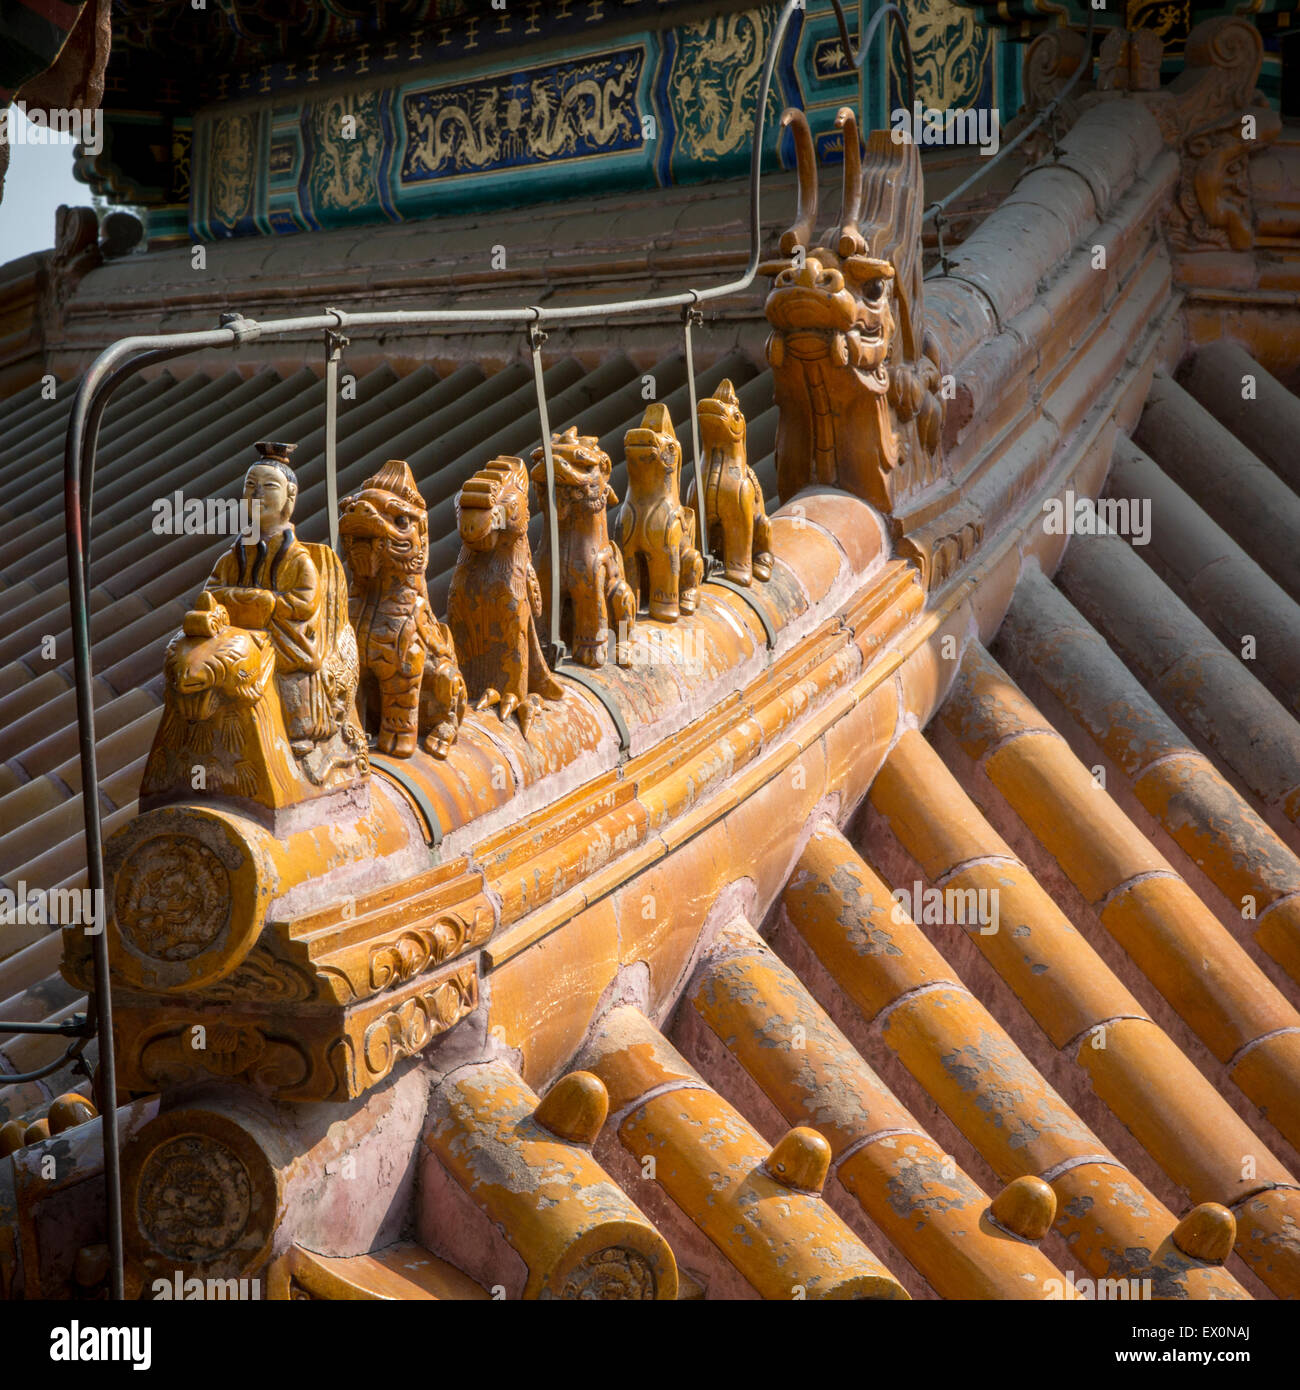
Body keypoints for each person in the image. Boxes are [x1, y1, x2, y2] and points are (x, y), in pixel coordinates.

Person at [203, 442, 332, 754]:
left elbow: (306, 602)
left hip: (281, 634)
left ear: (289, 497)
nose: (256, 493)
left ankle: (298, 729)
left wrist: (270, 603)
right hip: (234, 630)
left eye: (268, 486)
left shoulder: (297, 558)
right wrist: (239, 599)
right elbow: (210, 591)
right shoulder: (235, 553)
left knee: (293, 670)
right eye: (250, 485)